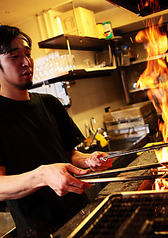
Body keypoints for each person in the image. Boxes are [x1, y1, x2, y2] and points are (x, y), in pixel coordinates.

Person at [0, 25, 113, 237]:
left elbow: (70, 154)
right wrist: (42, 175)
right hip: (42, 230)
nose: (26, 62)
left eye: (28, 54)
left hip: (82, 215)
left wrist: (89, 160)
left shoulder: (50, 103)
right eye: (14, 56)